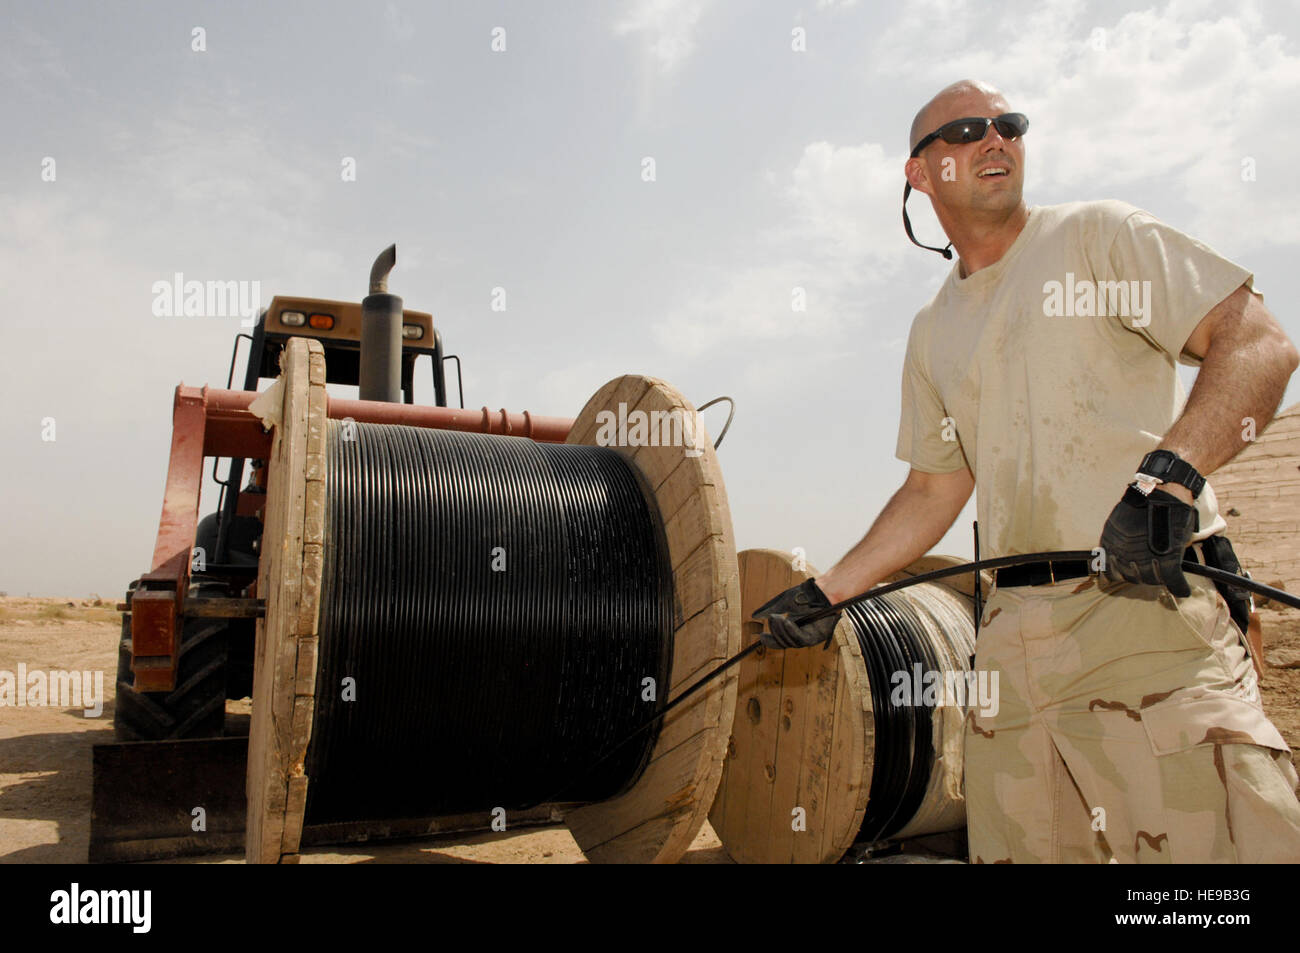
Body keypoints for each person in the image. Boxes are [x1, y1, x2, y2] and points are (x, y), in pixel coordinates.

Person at [753, 79, 1300, 863]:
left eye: (1008, 124)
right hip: (1012, 648)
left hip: (1145, 612)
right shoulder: (932, 329)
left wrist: (1168, 477)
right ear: (918, 172)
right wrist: (828, 591)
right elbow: (934, 488)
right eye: (968, 129)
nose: (996, 138)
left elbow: (1258, 342)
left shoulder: (1100, 237)